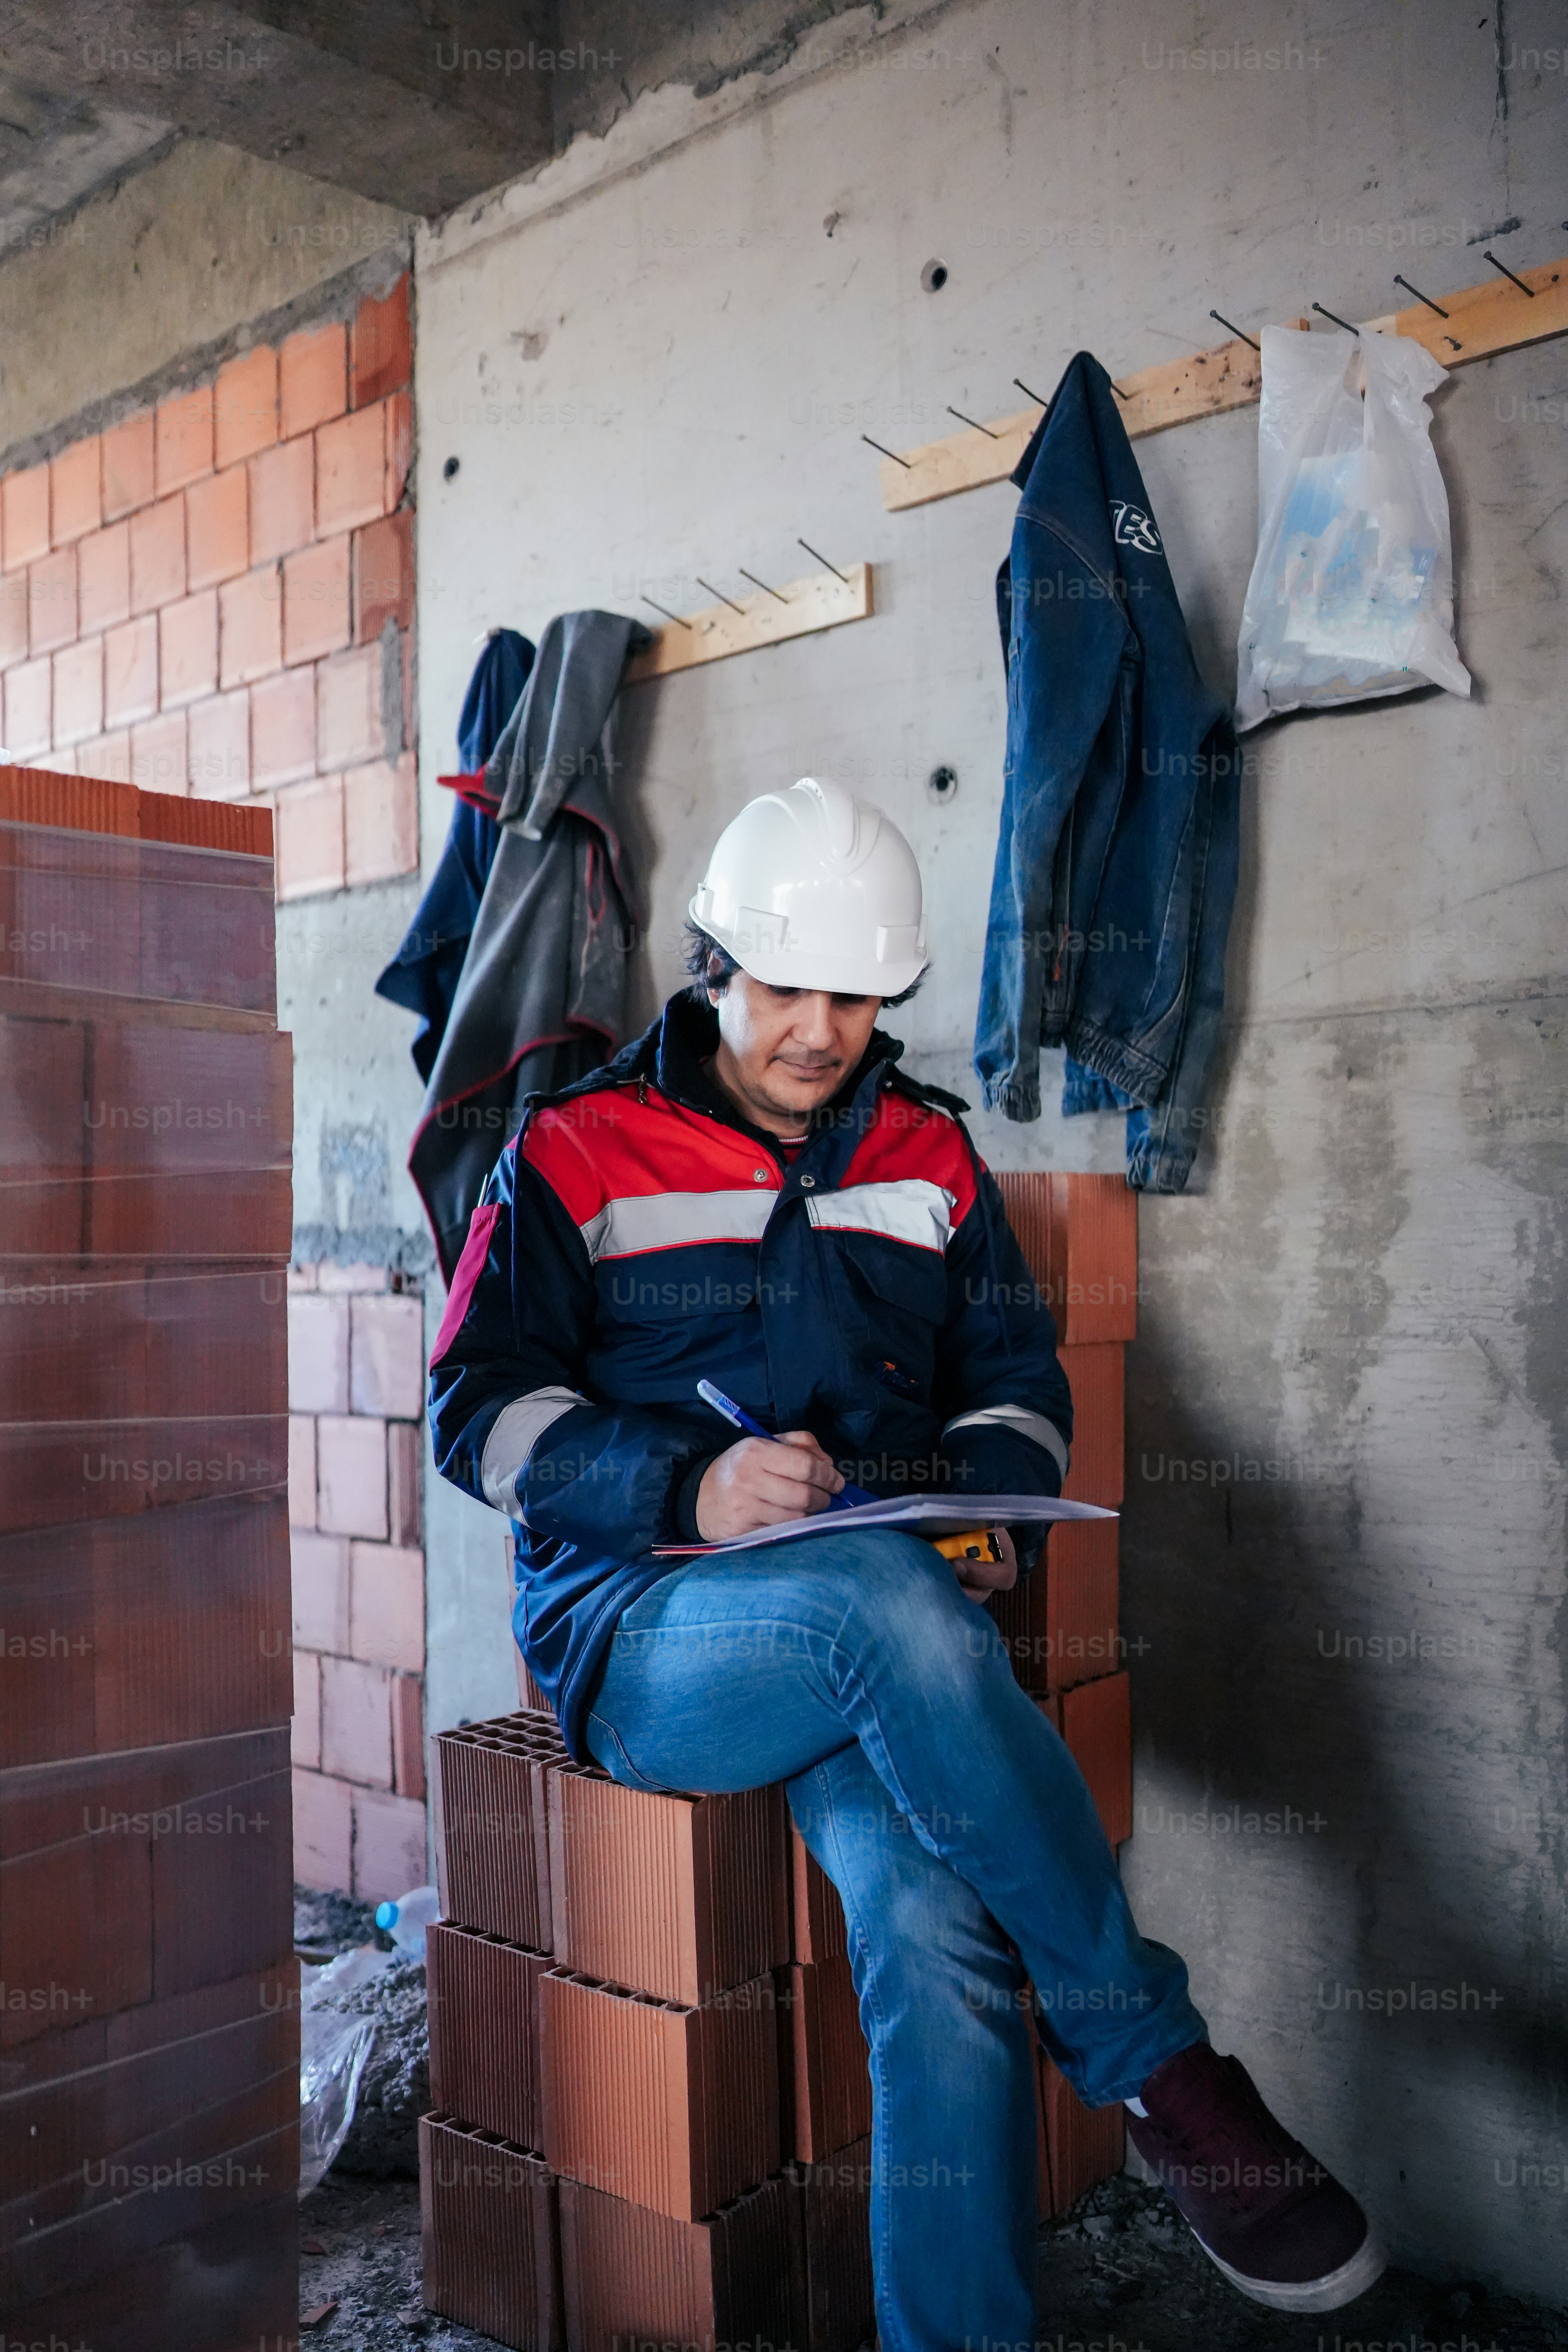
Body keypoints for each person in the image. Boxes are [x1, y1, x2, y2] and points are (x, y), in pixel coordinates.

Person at [428, 775, 1382, 2349]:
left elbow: (1012, 1386)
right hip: (648, 1631)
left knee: (940, 1934)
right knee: (882, 1600)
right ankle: (1153, 2060)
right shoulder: (572, 1151)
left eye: (861, 995)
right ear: (712, 965)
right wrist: (687, 1478)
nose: (825, 1028)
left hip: (879, 1609)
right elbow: (475, 1413)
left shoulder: (932, 1160)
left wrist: (987, 1514)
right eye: (791, 988)